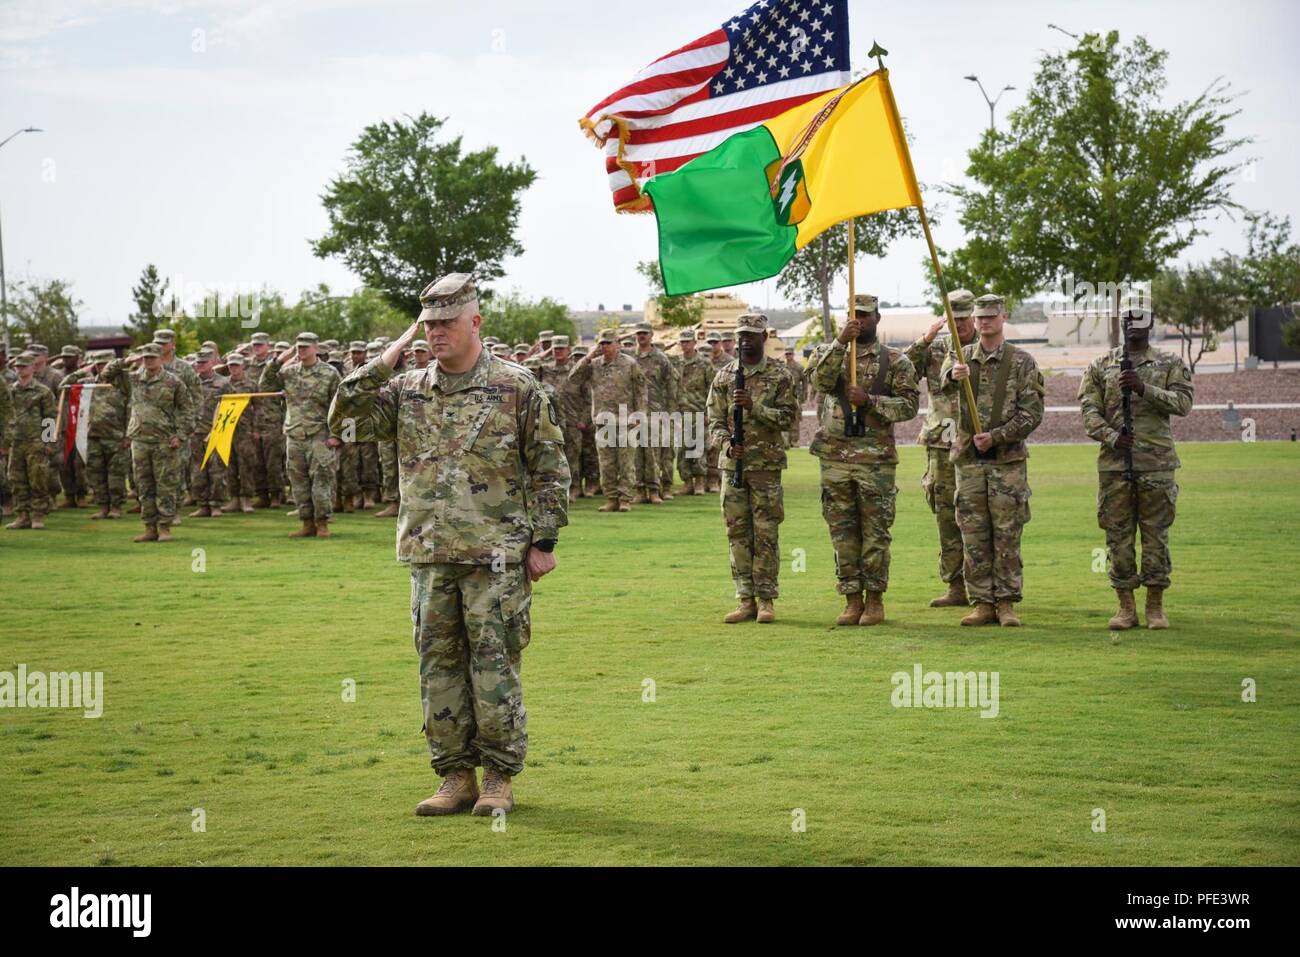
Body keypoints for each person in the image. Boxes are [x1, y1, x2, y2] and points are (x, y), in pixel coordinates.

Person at [329, 273, 569, 817]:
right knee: (438, 668)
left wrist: (545, 540)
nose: (435, 333)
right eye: (428, 325)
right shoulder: (407, 389)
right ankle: (454, 776)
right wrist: (391, 354)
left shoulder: (517, 387)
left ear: (475, 322)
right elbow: (342, 418)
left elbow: (551, 468)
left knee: (494, 669)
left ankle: (498, 779)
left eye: (445, 323)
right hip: (430, 555)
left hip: (498, 555)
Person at [1078, 301, 1193, 629]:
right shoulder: (1101, 365)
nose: (1133, 324)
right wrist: (1113, 437)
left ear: (1151, 322)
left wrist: (1144, 388)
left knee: (1156, 535)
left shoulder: (1170, 362)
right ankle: (1125, 607)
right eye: (1128, 319)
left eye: (1140, 318)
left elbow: (1183, 403)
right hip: (1115, 466)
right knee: (1118, 537)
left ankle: (1155, 606)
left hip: (1156, 464)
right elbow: (1089, 412)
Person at [806, 295, 920, 626]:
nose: (859, 321)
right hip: (834, 456)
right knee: (842, 531)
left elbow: (909, 406)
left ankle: (875, 600)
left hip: (875, 459)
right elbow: (819, 383)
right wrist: (840, 343)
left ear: (877, 318)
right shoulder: (828, 353)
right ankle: (851, 599)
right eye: (853, 316)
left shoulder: (897, 361)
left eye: (865, 316)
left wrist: (870, 401)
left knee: (876, 532)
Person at [944, 294, 1045, 626]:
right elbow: (940, 387)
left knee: (1007, 532)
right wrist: (952, 376)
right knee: (973, 533)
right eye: (979, 317)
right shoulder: (959, 359)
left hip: (1007, 462)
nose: (984, 322)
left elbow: (1032, 413)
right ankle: (982, 602)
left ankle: (1005, 602)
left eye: (991, 316)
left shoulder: (1021, 362)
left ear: (1003, 317)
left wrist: (998, 436)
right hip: (969, 462)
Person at [706, 314, 800, 624]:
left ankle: (767, 600)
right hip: (733, 467)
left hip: (766, 466)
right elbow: (714, 421)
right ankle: (745, 598)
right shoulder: (724, 376)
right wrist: (727, 445)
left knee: (766, 534)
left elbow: (789, 418)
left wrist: (753, 408)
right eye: (741, 334)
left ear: (764, 338)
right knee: (737, 534)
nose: (745, 339)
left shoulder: (780, 375)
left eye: (752, 334)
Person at [905, 289, 980, 608]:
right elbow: (902, 370)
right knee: (946, 513)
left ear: (974, 318)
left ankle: (985, 588)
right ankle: (955, 585)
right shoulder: (935, 349)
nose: (959, 325)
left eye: (964, 318)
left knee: (978, 514)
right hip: (941, 443)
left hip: (977, 442)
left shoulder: (986, 347)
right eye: (953, 319)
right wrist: (924, 339)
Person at [99, 344, 192, 542]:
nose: (148, 360)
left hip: (164, 441)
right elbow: (105, 375)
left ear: (160, 358)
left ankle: (165, 527)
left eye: (152, 357)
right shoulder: (133, 379)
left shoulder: (173, 382)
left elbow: (187, 410)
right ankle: (150, 527)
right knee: (144, 486)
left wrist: (180, 435)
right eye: (145, 357)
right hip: (140, 440)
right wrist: (124, 361)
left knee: (165, 485)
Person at [260, 332, 343, 538]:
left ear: (316, 348)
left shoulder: (330, 373)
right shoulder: (289, 372)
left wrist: (337, 435)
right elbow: (265, 384)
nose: (301, 350)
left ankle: (322, 523)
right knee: (298, 482)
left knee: (321, 480)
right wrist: (278, 360)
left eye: (306, 346)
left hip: (320, 435)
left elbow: (340, 405)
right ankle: (307, 523)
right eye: (298, 346)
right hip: (295, 434)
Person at [569, 329, 647, 512]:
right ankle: (612, 498)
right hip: (603, 422)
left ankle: (625, 499)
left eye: (608, 343)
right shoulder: (594, 365)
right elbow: (573, 378)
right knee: (606, 464)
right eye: (602, 343)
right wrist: (588, 356)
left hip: (625, 421)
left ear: (617, 344)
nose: (604, 347)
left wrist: (640, 414)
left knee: (626, 463)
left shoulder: (630, 364)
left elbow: (641, 391)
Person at [4, 354, 57, 529]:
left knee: (38, 479)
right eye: (18, 367)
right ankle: (22, 515)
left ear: (33, 368)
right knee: (16, 479)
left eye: (24, 366)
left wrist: (48, 443)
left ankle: (38, 515)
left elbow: (49, 417)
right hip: (16, 441)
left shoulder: (43, 391)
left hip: (36, 441)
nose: (20, 370)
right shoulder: (11, 391)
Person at [632, 321, 678, 503]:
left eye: (644, 333)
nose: (641, 336)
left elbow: (671, 385)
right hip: (634, 413)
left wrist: (671, 413)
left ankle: (653, 490)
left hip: (655, 412)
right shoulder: (629, 358)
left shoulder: (661, 358)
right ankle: (638, 490)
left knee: (652, 452)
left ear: (651, 335)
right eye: (639, 333)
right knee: (636, 452)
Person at [189, 348, 232, 517]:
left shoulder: (223, 383)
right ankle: (203, 504)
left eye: (204, 362)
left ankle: (216, 505)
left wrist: (218, 431)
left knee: (216, 471)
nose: (200, 365)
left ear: (213, 363)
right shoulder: (191, 382)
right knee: (197, 470)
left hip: (216, 432)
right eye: (198, 362)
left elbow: (228, 408)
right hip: (195, 432)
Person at [675, 329, 713, 495]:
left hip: (699, 411)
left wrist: (709, 413)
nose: (685, 345)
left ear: (694, 343)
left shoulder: (705, 364)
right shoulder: (676, 363)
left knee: (698, 448)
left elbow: (713, 390)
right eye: (682, 342)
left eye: (688, 342)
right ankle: (687, 482)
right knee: (682, 449)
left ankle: (699, 482)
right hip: (680, 413)